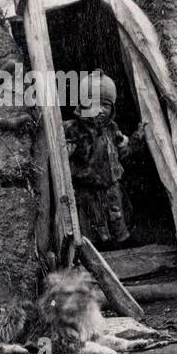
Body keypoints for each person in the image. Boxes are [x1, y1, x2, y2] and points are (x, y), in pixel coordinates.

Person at [64, 71, 143, 249]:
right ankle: (99, 248)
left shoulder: (113, 129)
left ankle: (123, 243)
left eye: (105, 105)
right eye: (94, 104)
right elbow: (62, 153)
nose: (100, 110)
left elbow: (122, 154)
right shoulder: (74, 129)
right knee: (93, 221)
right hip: (87, 187)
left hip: (111, 185)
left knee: (117, 217)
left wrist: (136, 139)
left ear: (112, 108)